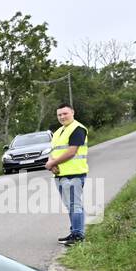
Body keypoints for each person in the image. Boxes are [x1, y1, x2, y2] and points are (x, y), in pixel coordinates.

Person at [47, 103, 89, 246]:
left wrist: (52, 163)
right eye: (59, 115)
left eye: (65, 113)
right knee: (70, 205)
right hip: (60, 175)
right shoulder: (59, 131)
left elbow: (72, 152)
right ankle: (74, 232)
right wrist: (51, 163)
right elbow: (53, 152)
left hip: (74, 174)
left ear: (73, 112)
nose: (62, 117)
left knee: (75, 205)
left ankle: (78, 235)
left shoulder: (77, 129)